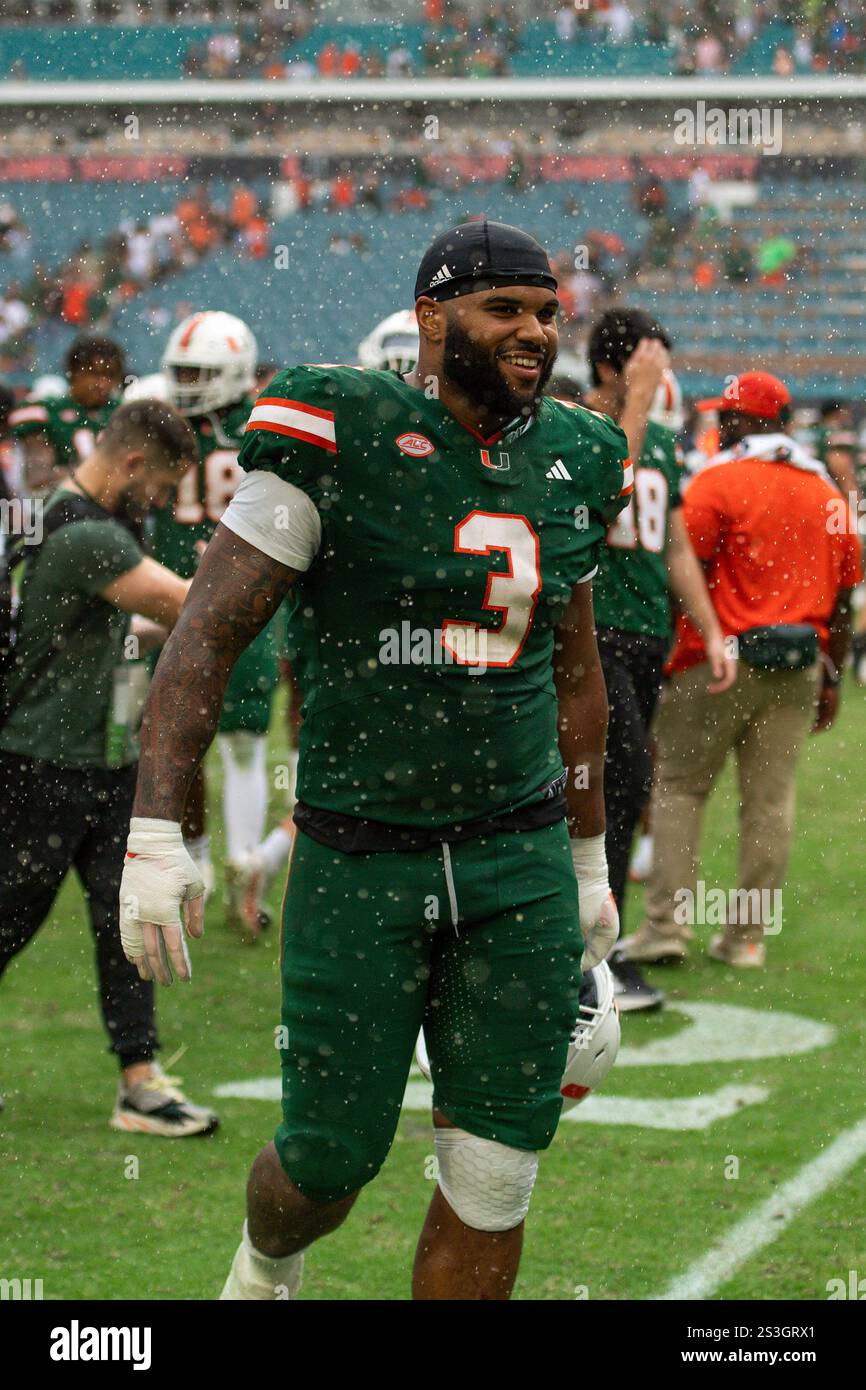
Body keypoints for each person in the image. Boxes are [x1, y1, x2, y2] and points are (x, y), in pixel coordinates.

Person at [120, 220, 632, 1301]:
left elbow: (576, 675)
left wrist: (588, 858)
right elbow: (206, 631)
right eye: (505, 310)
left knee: (495, 1166)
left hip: (516, 850)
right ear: (435, 318)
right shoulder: (340, 426)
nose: (534, 332)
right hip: (363, 854)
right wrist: (158, 829)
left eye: (545, 312)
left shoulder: (575, 453)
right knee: (328, 1156)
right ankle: (264, 1268)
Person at [0, 400, 218, 1136]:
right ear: (128, 465)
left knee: (129, 920)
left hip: (102, 758)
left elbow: (114, 624)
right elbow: (193, 602)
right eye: (156, 486)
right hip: (42, 763)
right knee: (7, 921)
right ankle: (138, 1082)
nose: (156, 502)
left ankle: (139, 1081)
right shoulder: (88, 534)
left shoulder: (68, 519)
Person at [619, 370, 862, 969]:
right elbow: (843, 595)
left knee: (680, 788)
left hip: (718, 659)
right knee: (770, 802)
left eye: (727, 417)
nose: (720, 426)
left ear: (744, 421)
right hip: (800, 662)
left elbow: (682, 575)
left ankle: (666, 929)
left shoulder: (715, 484)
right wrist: (831, 673)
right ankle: (745, 937)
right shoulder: (827, 493)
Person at [583, 308, 734, 1011]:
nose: (663, 379)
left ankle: (593, 950)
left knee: (621, 793)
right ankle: (592, 956)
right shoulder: (576, 426)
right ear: (613, 367)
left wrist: (711, 628)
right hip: (591, 630)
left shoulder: (667, 444)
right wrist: (633, 403)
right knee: (621, 779)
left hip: (645, 636)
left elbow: (674, 547)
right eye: (651, 366)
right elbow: (598, 493)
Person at [140, 312, 282, 937]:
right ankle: (203, 860)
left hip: (241, 600)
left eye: (199, 373)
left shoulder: (264, 422)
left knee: (244, 740)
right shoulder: (160, 418)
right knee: (183, 735)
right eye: (182, 373)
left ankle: (238, 862)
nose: (188, 384)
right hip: (179, 600)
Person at [9, 335, 125, 498]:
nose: (102, 383)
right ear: (74, 372)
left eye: (110, 375)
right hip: (62, 507)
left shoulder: (124, 413)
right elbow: (39, 479)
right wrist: (99, 476)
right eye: (95, 374)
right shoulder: (48, 411)